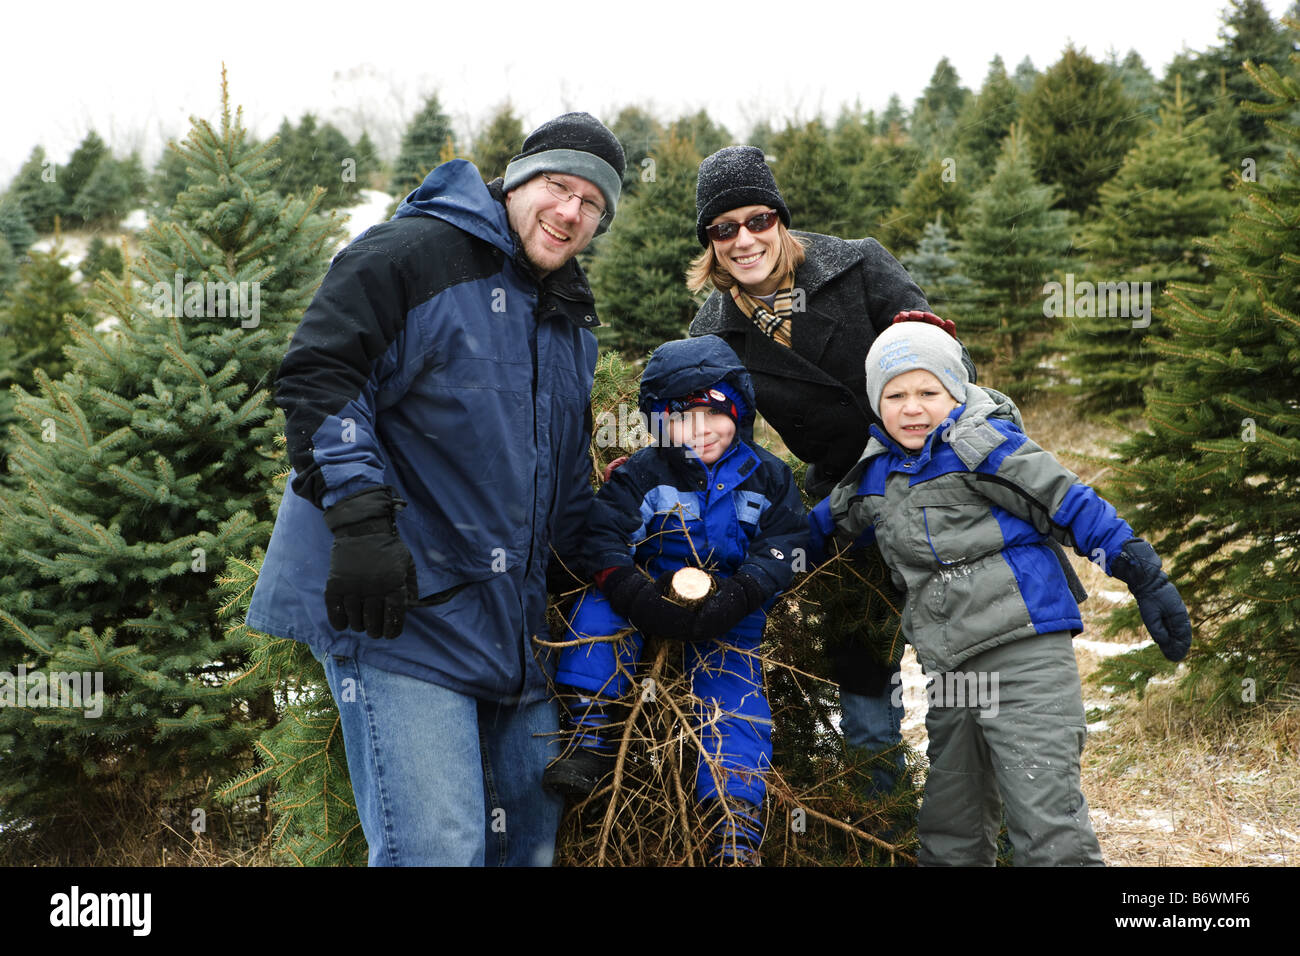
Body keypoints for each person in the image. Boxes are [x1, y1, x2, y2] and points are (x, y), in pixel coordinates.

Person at [244, 112, 626, 866]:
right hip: (399, 610)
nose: (570, 212)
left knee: (530, 841)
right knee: (439, 849)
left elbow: (559, 475)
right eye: (558, 186)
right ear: (518, 179)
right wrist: (359, 522)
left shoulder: (567, 317)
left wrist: (619, 569)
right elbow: (322, 377)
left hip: (511, 624)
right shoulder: (415, 254)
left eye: (592, 204)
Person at [808, 316, 1192, 865]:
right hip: (951, 671)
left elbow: (1070, 505)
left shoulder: (983, 447)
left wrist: (1143, 574)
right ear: (875, 403)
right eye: (895, 395)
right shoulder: (875, 479)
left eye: (928, 391)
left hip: (1024, 651)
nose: (912, 407)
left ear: (955, 392)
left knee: (1043, 812)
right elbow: (816, 531)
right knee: (950, 820)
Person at [686, 145, 970, 797]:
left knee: (965, 692)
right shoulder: (715, 334)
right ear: (710, 242)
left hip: (937, 494)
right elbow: (727, 446)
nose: (744, 239)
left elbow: (945, 365)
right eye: (724, 229)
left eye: (757, 219)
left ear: (779, 218)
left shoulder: (861, 264)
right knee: (869, 715)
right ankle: (886, 828)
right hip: (846, 525)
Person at [543, 335, 807, 864]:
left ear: (740, 411)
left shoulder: (769, 476)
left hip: (729, 604)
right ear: (659, 424)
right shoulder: (643, 473)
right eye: (680, 419)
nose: (699, 431)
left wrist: (746, 590)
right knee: (595, 615)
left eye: (713, 414)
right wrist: (631, 590)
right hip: (646, 591)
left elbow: (787, 542)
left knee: (735, 698)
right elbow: (603, 537)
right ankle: (587, 736)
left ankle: (734, 822)